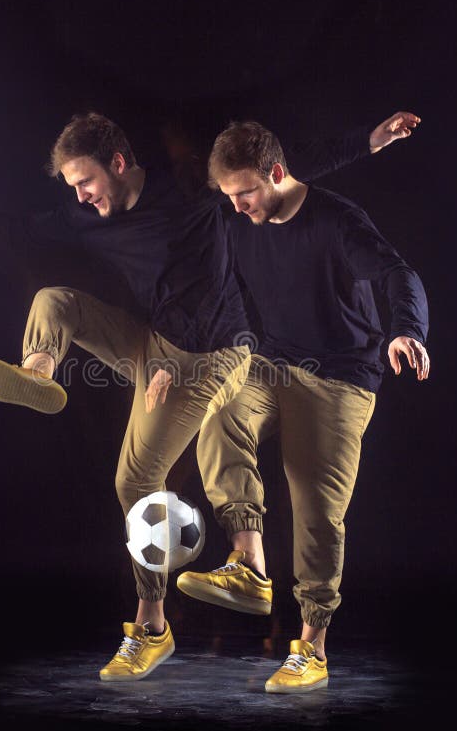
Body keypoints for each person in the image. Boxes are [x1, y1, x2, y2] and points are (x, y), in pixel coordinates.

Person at [0, 110, 419, 682]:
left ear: (119, 164)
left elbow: (290, 163)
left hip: (213, 355)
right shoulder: (88, 218)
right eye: (73, 188)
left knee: (142, 479)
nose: (82, 197)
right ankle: (37, 371)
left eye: (87, 182)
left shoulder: (193, 194)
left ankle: (180, 626)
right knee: (54, 301)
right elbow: (23, 229)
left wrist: (370, 138)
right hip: (155, 343)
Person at [177, 120, 429, 692]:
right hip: (276, 362)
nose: (238, 208)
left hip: (343, 377)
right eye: (229, 197)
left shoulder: (337, 220)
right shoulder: (240, 217)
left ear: (276, 174)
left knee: (316, 507)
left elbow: (398, 273)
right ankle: (249, 565)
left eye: (245, 194)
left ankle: (311, 648)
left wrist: (404, 331)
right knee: (219, 411)